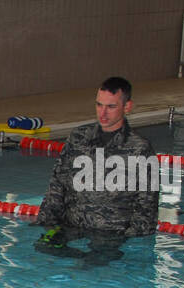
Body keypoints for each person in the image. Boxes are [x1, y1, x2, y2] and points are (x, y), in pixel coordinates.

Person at [36, 77, 158, 246]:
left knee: (92, 266)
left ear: (127, 107)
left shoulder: (139, 148)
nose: (103, 113)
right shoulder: (78, 137)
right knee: (41, 250)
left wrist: (130, 245)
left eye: (111, 107)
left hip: (111, 236)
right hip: (72, 227)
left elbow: (147, 206)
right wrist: (44, 223)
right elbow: (57, 185)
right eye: (99, 105)